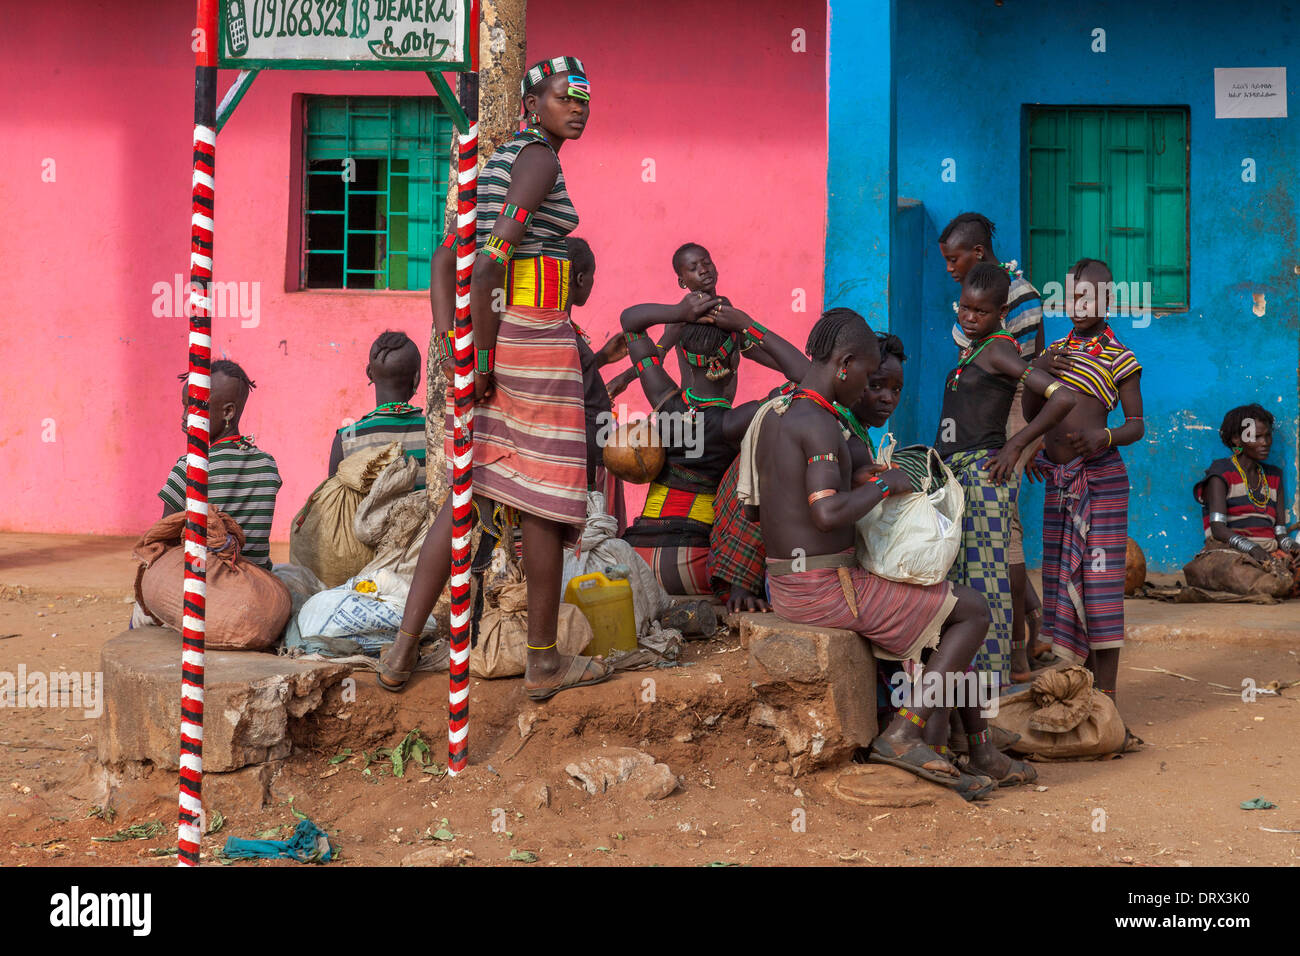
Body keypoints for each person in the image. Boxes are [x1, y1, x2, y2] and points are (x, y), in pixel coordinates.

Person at [379, 56, 611, 700]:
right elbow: (485, 267)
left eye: (586, 99)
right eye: (568, 98)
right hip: (532, 339)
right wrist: (480, 361)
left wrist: (458, 347)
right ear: (532, 104)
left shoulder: (492, 162)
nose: (580, 108)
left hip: (493, 336)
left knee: (468, 495)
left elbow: (446, 257)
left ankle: (400, 652)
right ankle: (541, 662)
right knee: (544, 501)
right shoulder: (538, 160)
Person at [745, 307, 1034, 794]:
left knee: (947, 603)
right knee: (972, 611)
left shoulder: (778, 415)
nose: (866, 387)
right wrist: (889, 486)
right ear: (846, 362)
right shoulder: (818, 425)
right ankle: (906, 733)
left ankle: (975, 745)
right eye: (865, 374)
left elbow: (766, 509)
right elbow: (827, 514)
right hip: (823, 588)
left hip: (790, 581)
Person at [935, 263, 1075, 686]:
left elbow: (1061, 397)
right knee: (964, 581)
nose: (969, 317)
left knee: (986, 584)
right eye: (964, 308)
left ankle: (991, 684)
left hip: (984, 474)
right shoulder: (976, 349)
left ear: (1000, 312)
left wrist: (1016, 446)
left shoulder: (999, 349)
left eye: (980, 311)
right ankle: (969, 688)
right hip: (960, 472)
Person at [619, 293, 806, 595]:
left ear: (682, 356)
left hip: (637, 562)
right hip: (697, 566)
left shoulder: (663, 401)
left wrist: (678, 310)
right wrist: (749, 327)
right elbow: (806, 377)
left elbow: (630, 321)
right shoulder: (736, 422)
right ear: (734, 359)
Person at [708, 333, 906, 613]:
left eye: (896, 389)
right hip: (793, 580)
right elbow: (761, 502)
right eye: (874, 385)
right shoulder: (817, 420)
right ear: (848, 375)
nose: (887, 398)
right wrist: (740, 583)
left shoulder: (848, 431)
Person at [1023, 257, 1144, 705]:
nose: (1079, 305)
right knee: (1061, 578)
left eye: (1090, 297)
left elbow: (1136, 424)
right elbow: (1033, 417)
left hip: (1101, 481)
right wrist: (1040, 377)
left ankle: (1107, 700)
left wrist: (1102, 436)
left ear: (1109, 300)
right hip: (1061, 482)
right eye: (1072, 296)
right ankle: (1083, 688)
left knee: (1102, 587)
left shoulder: (1120, 357)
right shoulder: (1054, 353)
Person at [939, 212, 1048, 677]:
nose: (949, 267)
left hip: (1008, 404)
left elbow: (1037, 368)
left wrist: (1027, 438)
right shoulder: (976, 295)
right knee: (994, 531)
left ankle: (1019, 645)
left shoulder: (1016, 294)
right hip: (985, 400)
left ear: (978, 253)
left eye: (954, 258)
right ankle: (1027, 632)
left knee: (1006, 533)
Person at [158, 360, 281, 570]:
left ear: (228, 413)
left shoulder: (190, 466)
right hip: (258, 578)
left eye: (195, 407)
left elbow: (164, 537)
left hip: (206, 580)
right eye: (185, 406)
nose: (185, 416)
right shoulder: (267, 465)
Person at [1190, 403, 1298, 588]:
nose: (1265, 443)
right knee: (1239, 575)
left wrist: (1292, 547)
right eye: (1256, 437)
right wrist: (1252, 548)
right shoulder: (1220, 473)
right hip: (1231, 554)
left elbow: (1279, 532)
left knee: (1283, 572)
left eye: (1267, 435)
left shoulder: (1273, 476)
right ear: (1236, 440)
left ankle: (1276, 582)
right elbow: (1218, 529)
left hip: (1270, 554)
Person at [329, 330, 427, 490]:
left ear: (369, 373)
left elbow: (334, 508)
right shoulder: (437, 432)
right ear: (416, 378)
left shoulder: (347, 437)